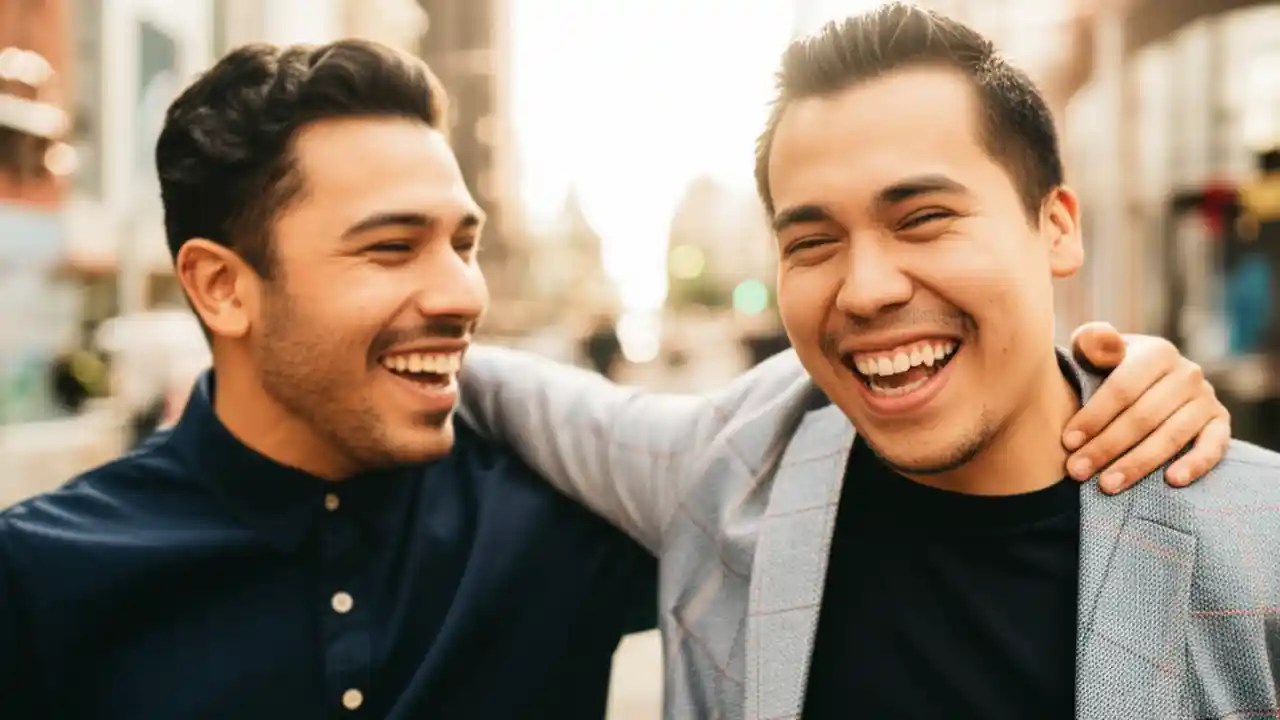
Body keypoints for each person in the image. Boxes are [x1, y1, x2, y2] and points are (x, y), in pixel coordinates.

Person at [457, 5, 1253, 718]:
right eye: (811, 242)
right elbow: (509, 389)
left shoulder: (1253, 545)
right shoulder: (731, 470)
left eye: (923, 218)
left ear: (1056, 227)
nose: (865, 290)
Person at [0, 40, 654, 718]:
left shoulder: (568, 516)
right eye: (392, 248)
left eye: (465, 245)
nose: (463, 295)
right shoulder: (39, 579)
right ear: (222, 287)